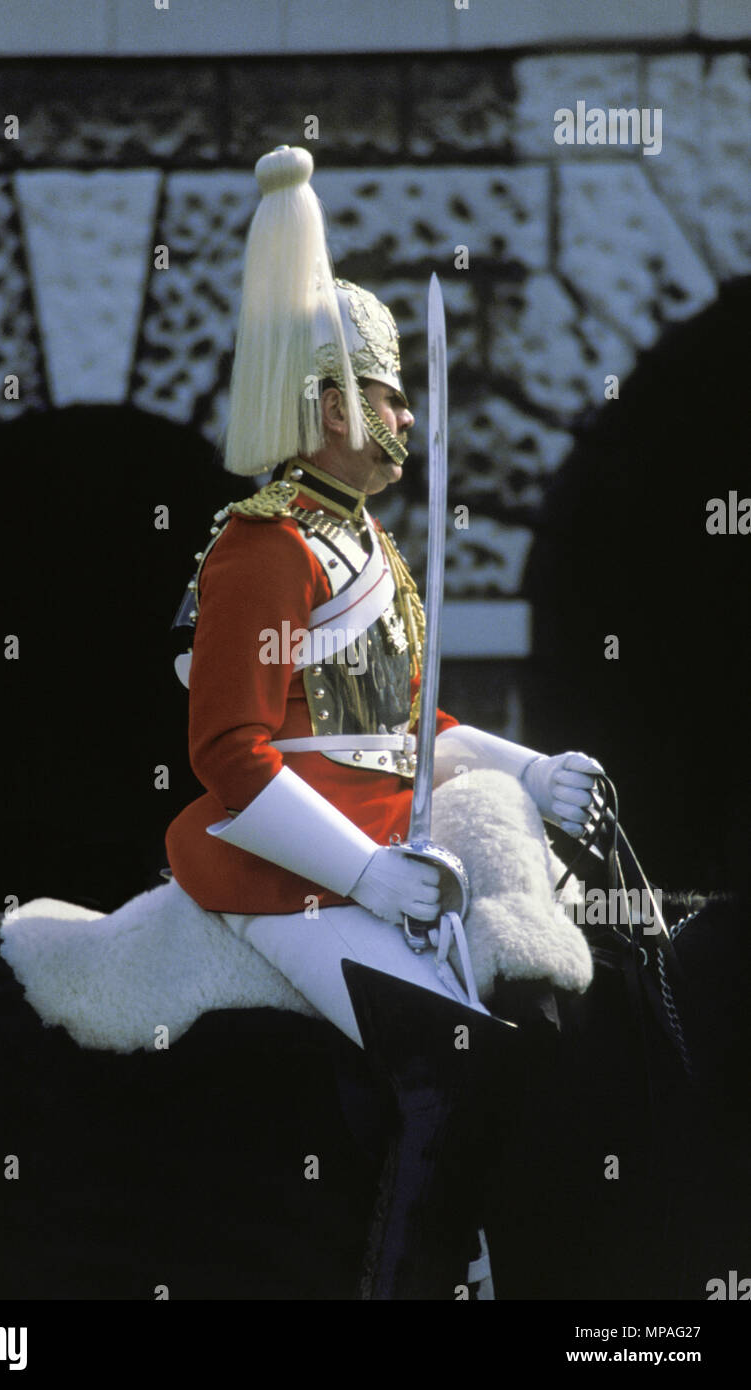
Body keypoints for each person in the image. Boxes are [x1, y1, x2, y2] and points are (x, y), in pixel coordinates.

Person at [165, 144, 602, 1050]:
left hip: (390, 834)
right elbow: (229, 754)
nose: (406, 420)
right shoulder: (265, 545)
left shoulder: (363, 542)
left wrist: (528, 770)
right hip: (288, 867)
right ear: (333, 410)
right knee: (444, 1056)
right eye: (389, 399)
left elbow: (408, 729)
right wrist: (363, 873)